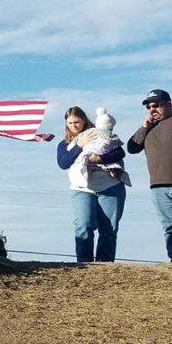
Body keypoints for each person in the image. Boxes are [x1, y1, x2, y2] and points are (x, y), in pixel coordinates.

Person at [126, 89, 172, 262]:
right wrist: (144, 127)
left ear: (168, 103)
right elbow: (132, 148)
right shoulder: (148, 127)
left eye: (156, 105)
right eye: (149, 106)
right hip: (159, 187)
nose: (152, 109)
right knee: (171, 226)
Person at [56, 106, 125, 262]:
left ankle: (104, 264)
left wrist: (101, 159)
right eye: (70, 123)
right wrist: (79, 146)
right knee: (84, 224)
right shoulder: (65, 143)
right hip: (82, 188)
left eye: (77, 122)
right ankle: (84, 263)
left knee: (109, 227)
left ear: (84, 120)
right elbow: (63, 162)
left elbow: (120, 152)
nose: (74, 126)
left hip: (109, 185)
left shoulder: (100, 134)